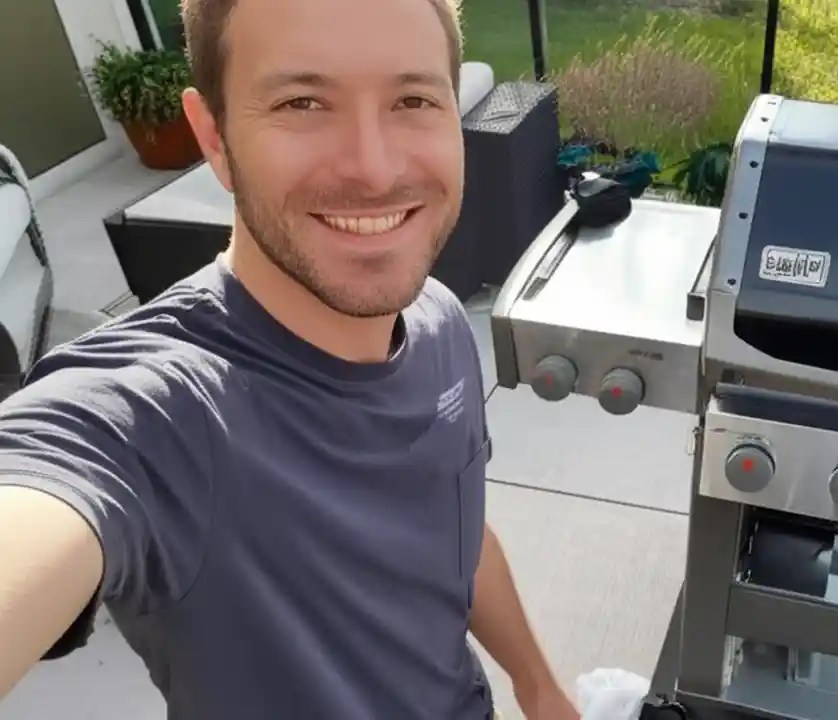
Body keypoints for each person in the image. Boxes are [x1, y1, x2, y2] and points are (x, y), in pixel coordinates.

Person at [0, 0, 580, 717]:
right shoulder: (155, 412)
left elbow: (456, 529)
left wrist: (537, 683)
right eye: (302, 101)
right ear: (214, 137)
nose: (373, 167)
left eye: (413, 99)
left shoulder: (438, 322)